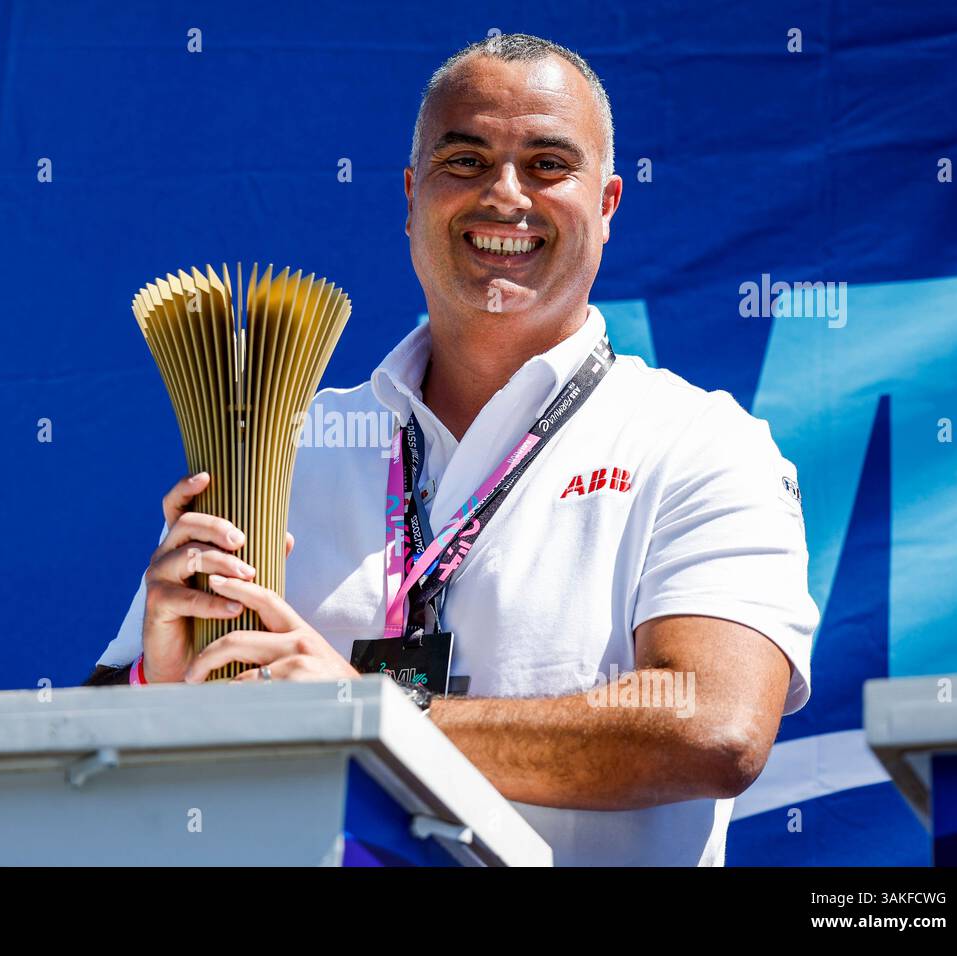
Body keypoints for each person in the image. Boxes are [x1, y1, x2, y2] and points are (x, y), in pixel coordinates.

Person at [87, 33, 819, 866]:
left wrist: (368, 716)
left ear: (609, 205)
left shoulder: (699, 443)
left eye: (547, 164)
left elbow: (711, 726)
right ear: (410, 195)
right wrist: (158, 678)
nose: (504, 196)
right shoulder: (278, 447)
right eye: (465, 161)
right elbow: (101, 752)